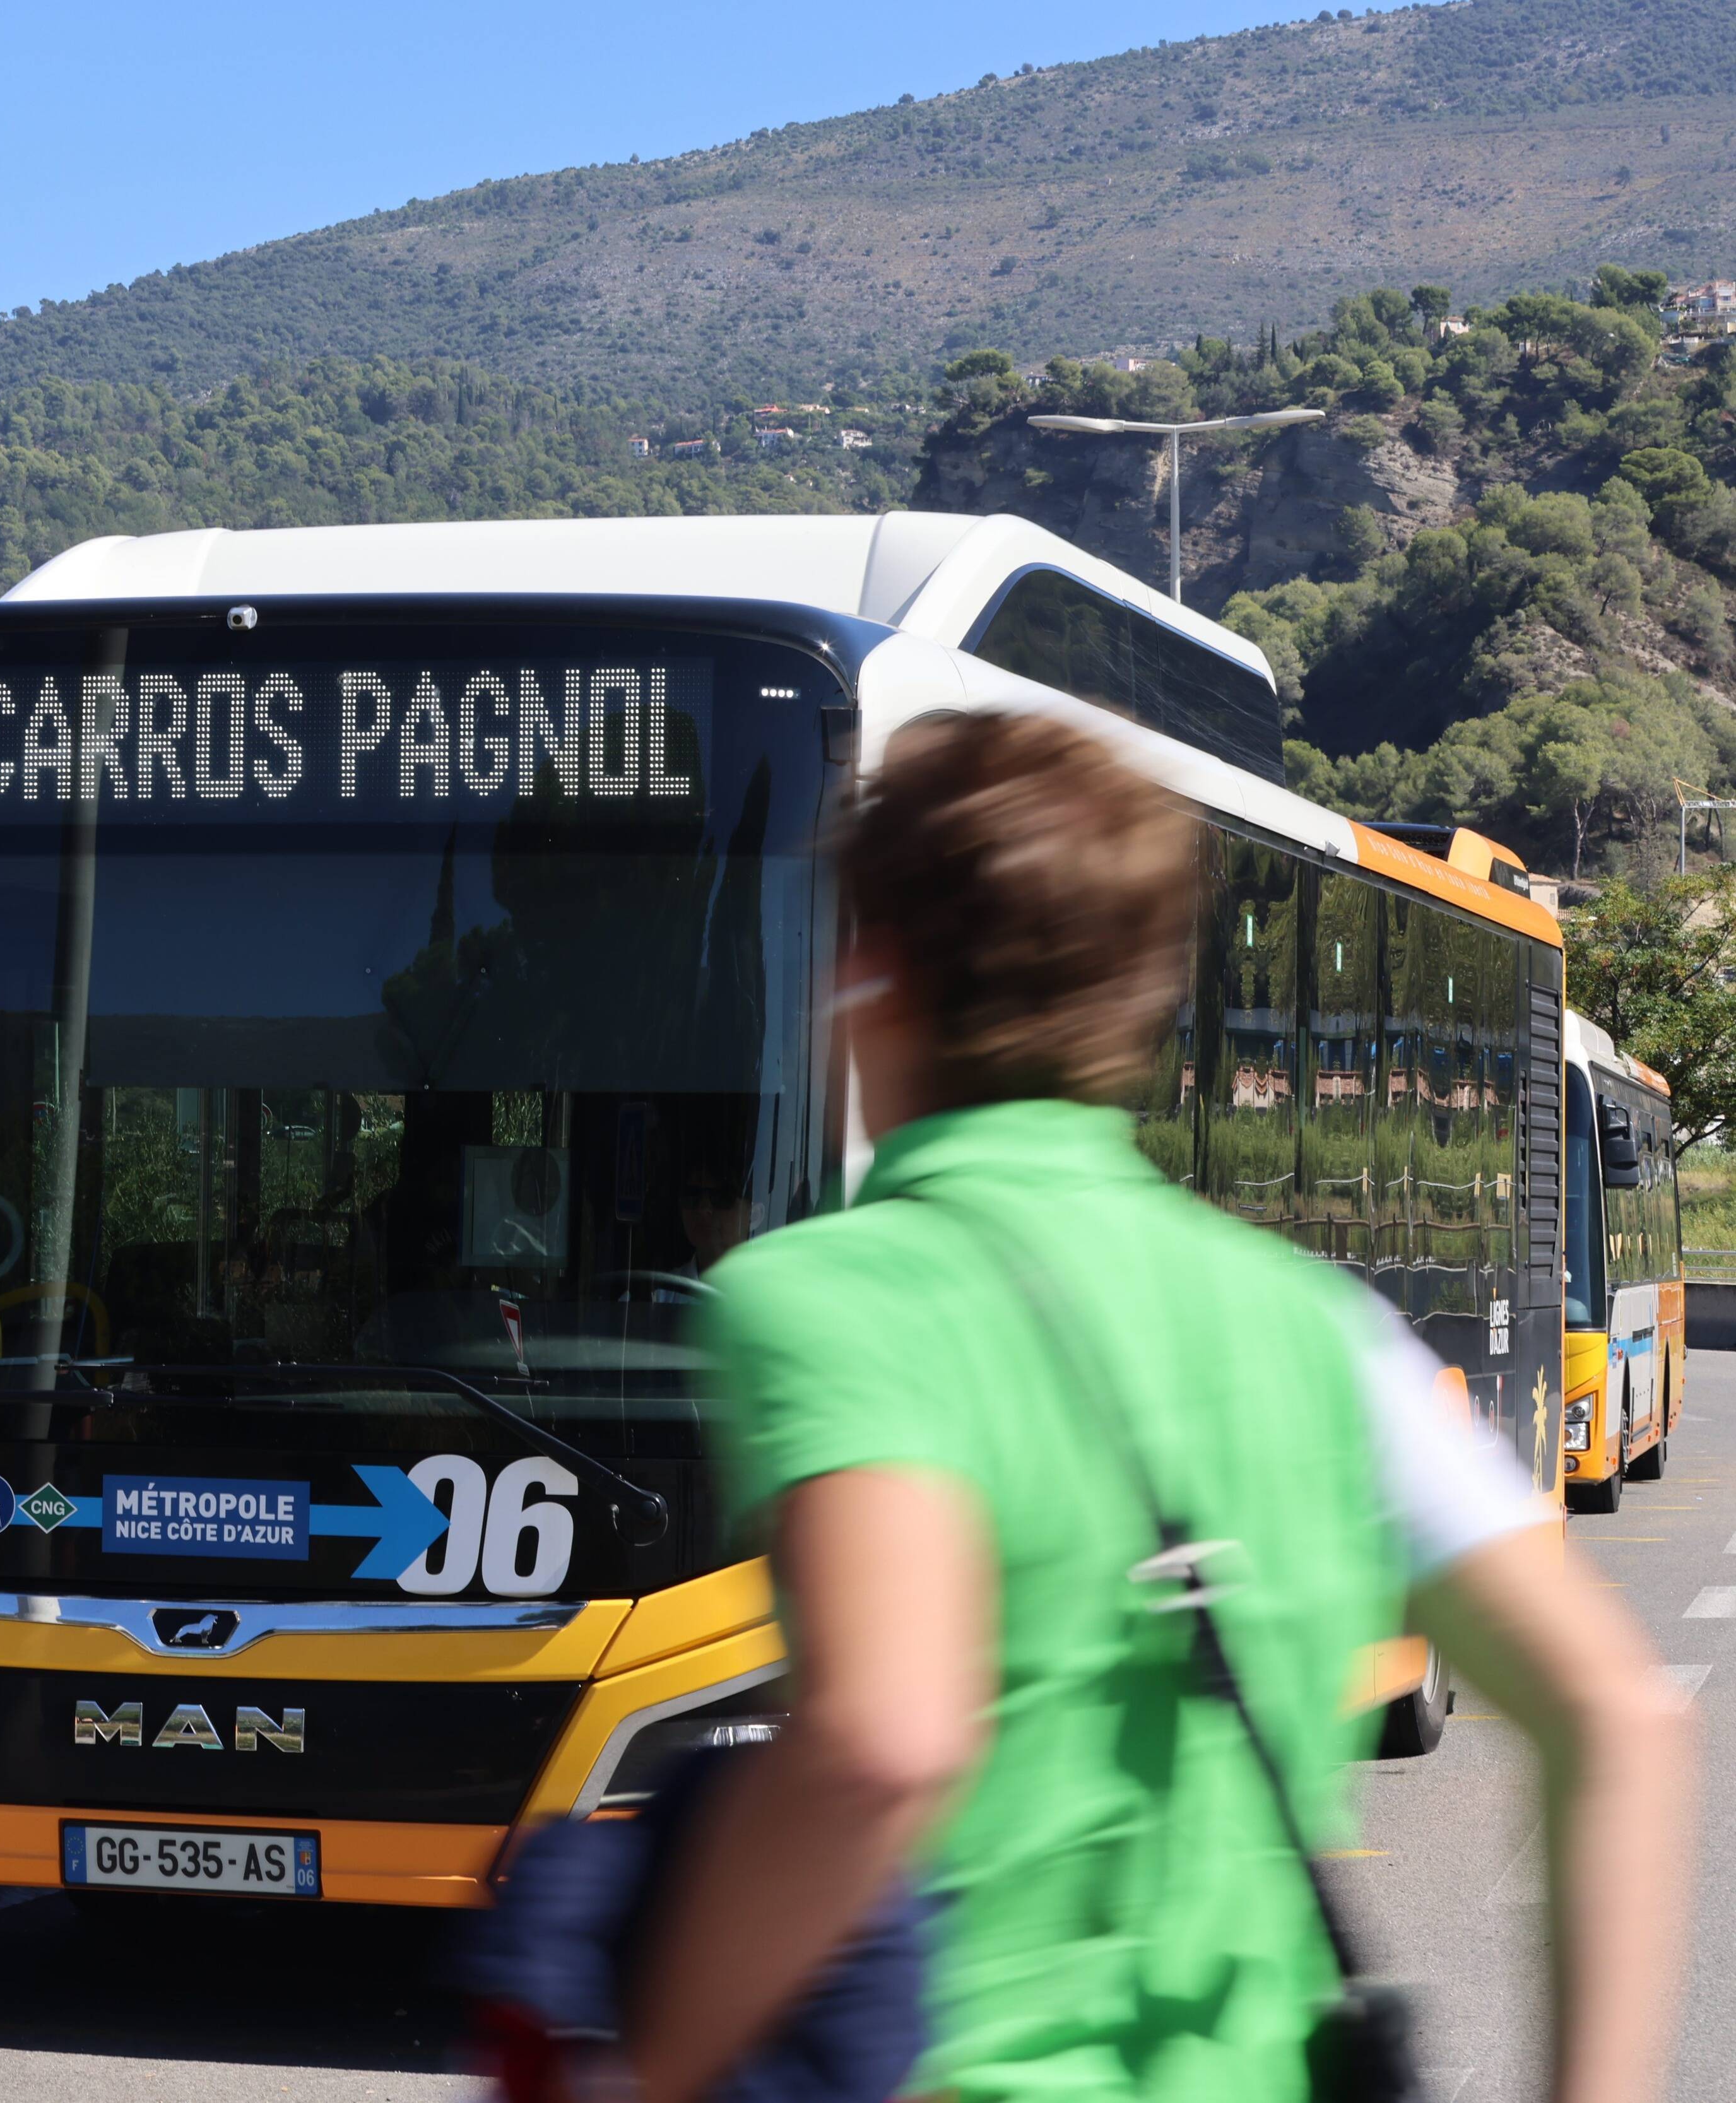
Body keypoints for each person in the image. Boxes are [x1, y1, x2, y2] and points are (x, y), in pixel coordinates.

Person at [620, 711, 1692, 2103]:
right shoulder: (1323, 1327)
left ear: (868, 972)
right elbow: (1618, 1712)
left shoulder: (827, 1302)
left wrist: (659, 2061)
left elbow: (882, 1742)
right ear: (1140, 1003)